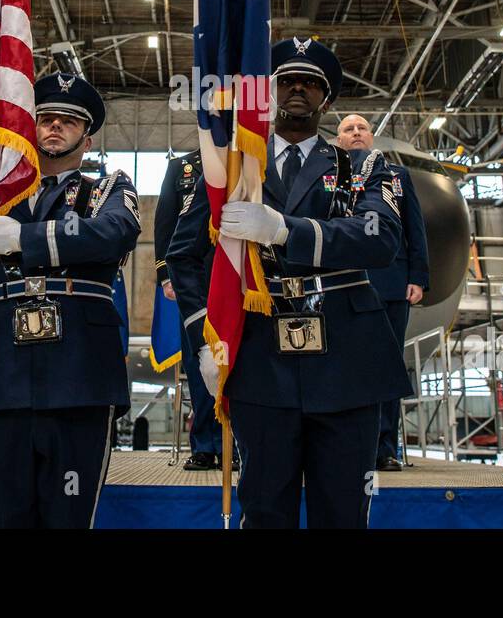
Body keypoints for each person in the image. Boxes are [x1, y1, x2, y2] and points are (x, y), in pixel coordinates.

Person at [167, 37, 409, 528]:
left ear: (327, 100)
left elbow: (380, 237)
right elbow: (185, 256)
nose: (298, 90)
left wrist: (284, 230)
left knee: (343, 512)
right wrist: (204, 339)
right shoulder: (231, 167)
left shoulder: (365, 166)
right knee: (264, 510)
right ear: (268, 95)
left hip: (347, 357)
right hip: (259, 355)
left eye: (311, 84)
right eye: (287, 82)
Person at [0, 73, 140, 529]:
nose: (55, 128)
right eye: (45, 118)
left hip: (79, 381)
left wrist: (22, 238)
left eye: (68, 121)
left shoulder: (108, 189)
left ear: (88, 137)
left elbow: (113, 234)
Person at [336, 114, 430, 471]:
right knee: (345, 366)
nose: (356, 132)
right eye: (348, 129)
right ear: (339, 139)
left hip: (390, 282)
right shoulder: (329, 175)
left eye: (362, 128)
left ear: (372, 136)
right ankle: (347, 445)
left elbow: (414, 229)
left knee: (387, 365)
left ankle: (385, 447)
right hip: (343, 282)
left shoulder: (397, 177)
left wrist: (418, 277)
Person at [154, 148, 224, 470]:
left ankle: (234, 445)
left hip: (236, 277)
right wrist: (166, 275)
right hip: (193, 280)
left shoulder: (246, 159)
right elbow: (165, 222)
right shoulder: (181, 167)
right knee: (199, 364)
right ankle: (205, 444)